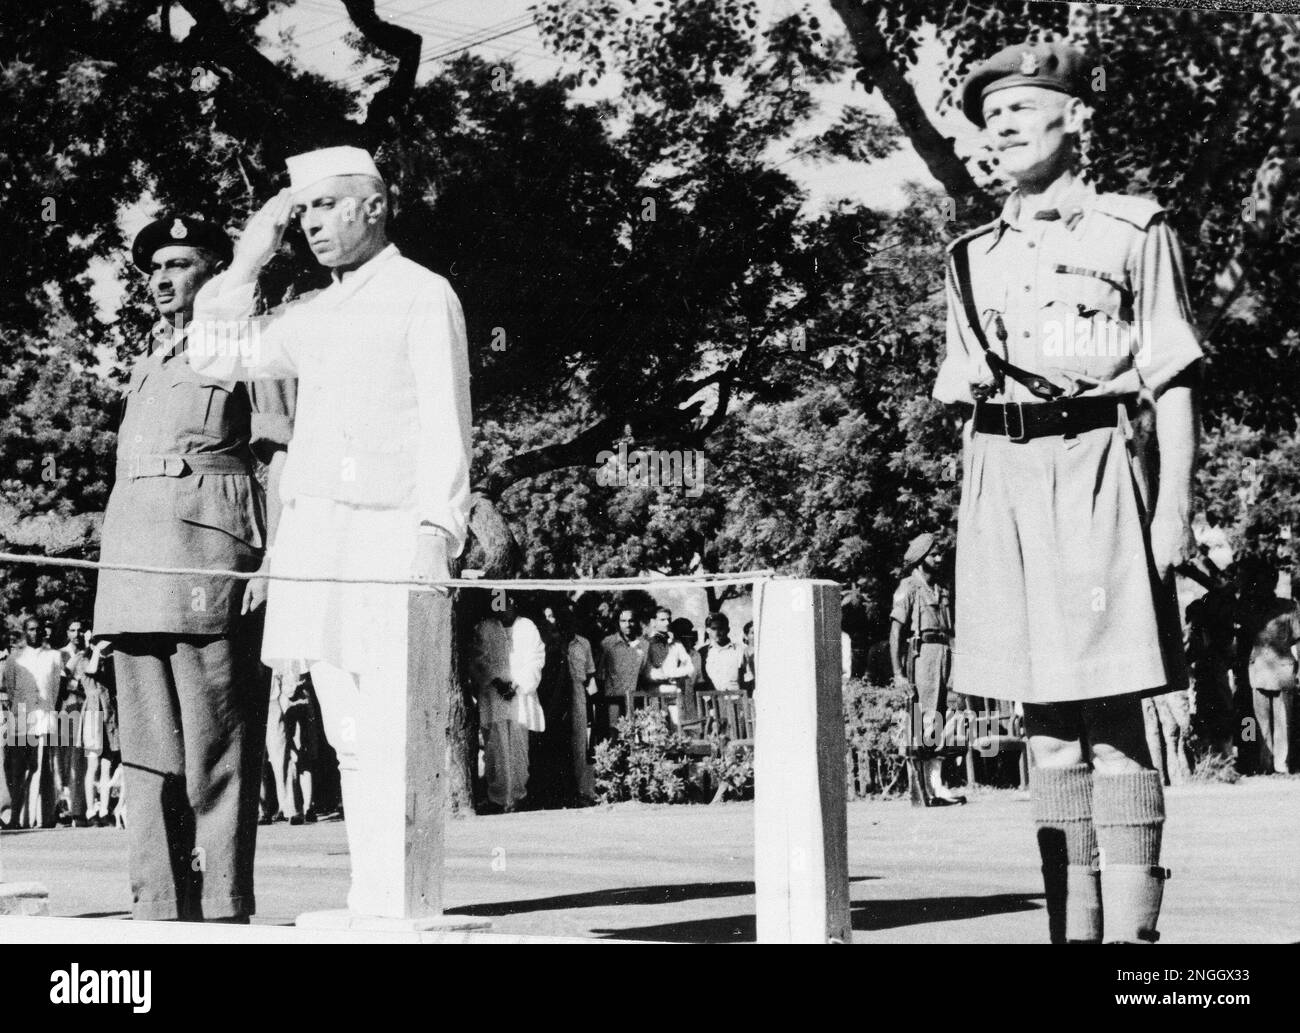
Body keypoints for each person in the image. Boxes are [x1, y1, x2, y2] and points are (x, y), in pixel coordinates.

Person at [936, 41, 1203, 943]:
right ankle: (1071, 937)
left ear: (1076, 117)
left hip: (1099, 470)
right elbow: (963, 394)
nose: (1001, 125)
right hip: (1000, 481)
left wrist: (1174, 510)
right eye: (991, 114)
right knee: (1045, 724)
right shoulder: (969, 255)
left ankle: (1135, 949)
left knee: (1117, 716)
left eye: (1022, 107)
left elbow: (1170, 378)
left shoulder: (1133, 230)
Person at [188, 146, 473, 917]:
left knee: (393, 724)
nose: (310, 224)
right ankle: (369, 894)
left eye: (324, 206)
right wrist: (251, 256)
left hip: (389, 537)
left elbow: (448, 424)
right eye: (301, 211)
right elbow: (214, 352)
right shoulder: (312, 312)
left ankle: (404, 895)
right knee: (346, 729)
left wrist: (434, 533)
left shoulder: (423, 293)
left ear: (373, 207)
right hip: (320, 541)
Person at [93, 215, 294, 921]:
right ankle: (156, 907)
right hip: (132, 575)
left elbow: (279, 453)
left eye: (181, 263)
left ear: (218, 272)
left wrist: (277, 557)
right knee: (146, 759)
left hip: (212, 566)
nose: (163, 279)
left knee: (220, 749)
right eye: (156, 267)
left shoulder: (248, 343)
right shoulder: (146, 363)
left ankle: (220, 908)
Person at [890, 532, 963, 806]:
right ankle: (922, 790)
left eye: (939, 553)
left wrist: (957, 669)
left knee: (943, 721)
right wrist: (898, 673)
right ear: (921, 559)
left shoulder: (941, 589)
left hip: (944, 654)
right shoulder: (908, 587)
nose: (939, 557)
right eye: (933, 554)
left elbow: (952, 632)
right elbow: (895, 632)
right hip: (923, 657)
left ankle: (937, 786)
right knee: (925, 720)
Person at [469, 596, 546, 812]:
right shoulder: (485, 628)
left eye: (506, 602)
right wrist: (496, 681)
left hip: (520, 698)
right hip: (495, 698)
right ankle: (499, 799)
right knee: (496, 749)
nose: (503, 608)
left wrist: (517, 685)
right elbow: (479, 660)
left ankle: (518, 797)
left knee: (520, 749)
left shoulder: (527, 627)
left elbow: (536, 658)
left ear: (513, 602)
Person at [1234, 556, 1296, 775]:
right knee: (1266, 722)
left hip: (1264, 670)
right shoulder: (1286, 606)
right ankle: (1273, 763)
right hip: (1270, 670)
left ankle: (1270, 763)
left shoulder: (1252, 607)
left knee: (1268, 721)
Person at [0, 616, 63, 828]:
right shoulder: (15, 658)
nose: (35, 633)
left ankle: (45, 817)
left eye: (38, 630)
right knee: (18, 770)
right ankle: (16, 818)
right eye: (31, 630)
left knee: (43, 768)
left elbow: (54, 689)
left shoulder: (54, 656)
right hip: (20, 718)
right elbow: (10, 688)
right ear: (25, 632)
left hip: (43, 718)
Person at [264, 671, 321, 825]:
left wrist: (290, 687)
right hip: (283, 699)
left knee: (300, 756)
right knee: (288, 757)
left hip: (295, 698)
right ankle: (290, 806)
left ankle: (305, 807)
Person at [57, 621, 94, 826]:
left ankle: (80, 810)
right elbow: (61, 683)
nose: (77, 633)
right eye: (72, 630)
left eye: (80, 630)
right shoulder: (62, 654)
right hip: (68, 709)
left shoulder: (88, 653)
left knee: (82, 760)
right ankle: (64, 808)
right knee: (66, 760)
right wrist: (77, 685)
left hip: (86, 708)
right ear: (67, 632)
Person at [559, 608, 597, 803]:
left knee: (580, 744)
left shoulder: (583, 644)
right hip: (557, 695)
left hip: (578, 693)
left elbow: (590, 677)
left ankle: (581, 791)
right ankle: (561, 792)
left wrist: (592, 706)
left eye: (571, 619)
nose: (568, 623)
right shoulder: (554, 641)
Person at [595, 607, 647, 740]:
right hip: (613, 697)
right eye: (623, 621)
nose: (627, 624)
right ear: (618, 623)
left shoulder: (644, 645)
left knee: (635, 734)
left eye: (631, 621)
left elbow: (644, 671)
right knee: (614, 734)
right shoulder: (607, 643)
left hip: (634, 697)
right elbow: (600, 673)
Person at [641, 606, 694, 728]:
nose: (667, 623)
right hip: (654, 695)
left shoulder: (676, 644)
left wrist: (669, 673)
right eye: (663, 620)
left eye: (669, 619)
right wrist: (674, 673)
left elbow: (690, 668)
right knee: (656, 733)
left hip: (674, 694)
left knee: (677, 731)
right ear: (653, 622)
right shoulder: (646, 643)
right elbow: (649, 673)